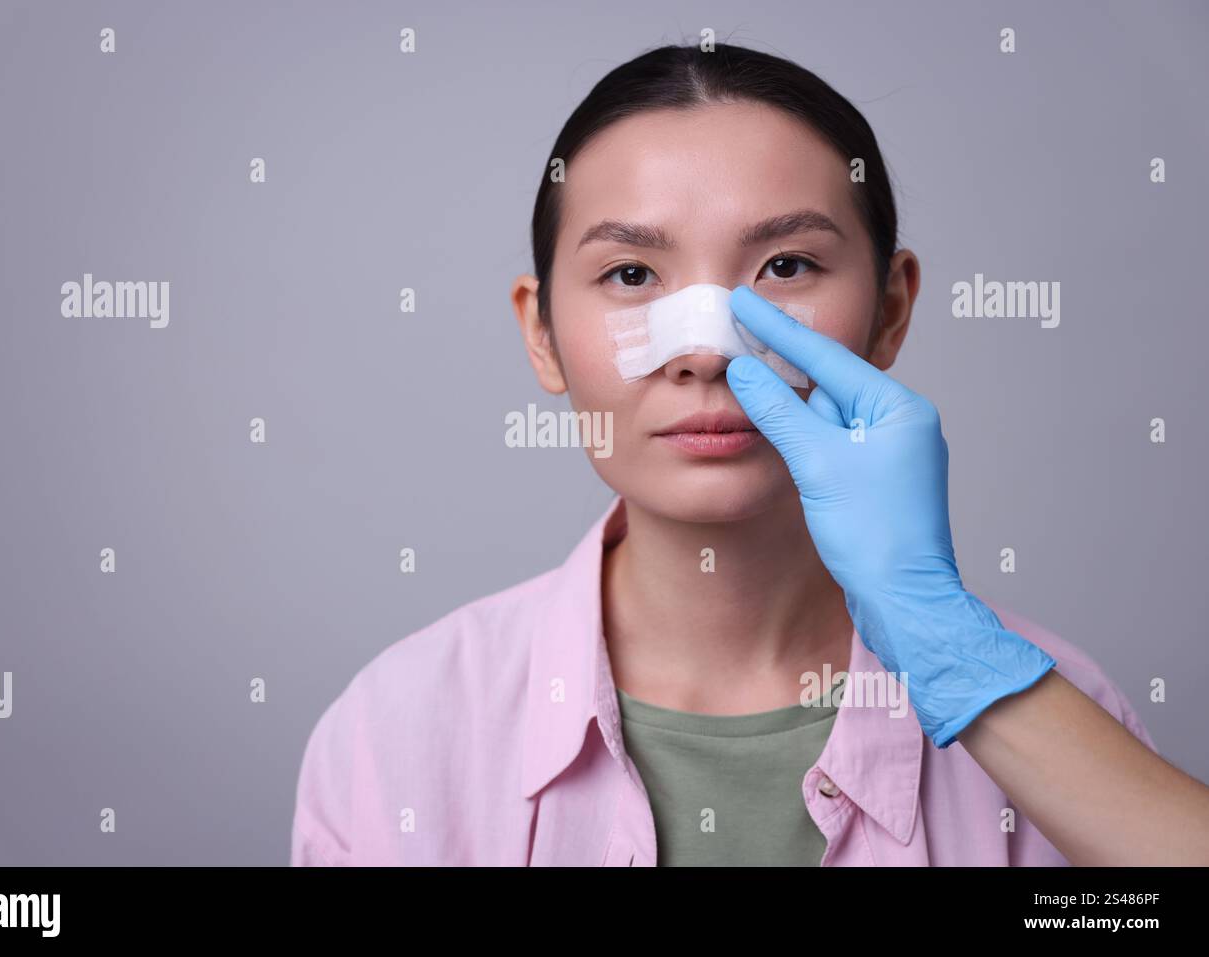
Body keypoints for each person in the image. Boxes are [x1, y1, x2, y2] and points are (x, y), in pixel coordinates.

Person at [291, 42, 1209, 866]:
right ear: (542, 334)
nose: (706, 349)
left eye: (786, 268)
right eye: (631, 275)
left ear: (890, 308)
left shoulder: (1068, 715)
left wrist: (959, 661)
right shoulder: (396, 733)